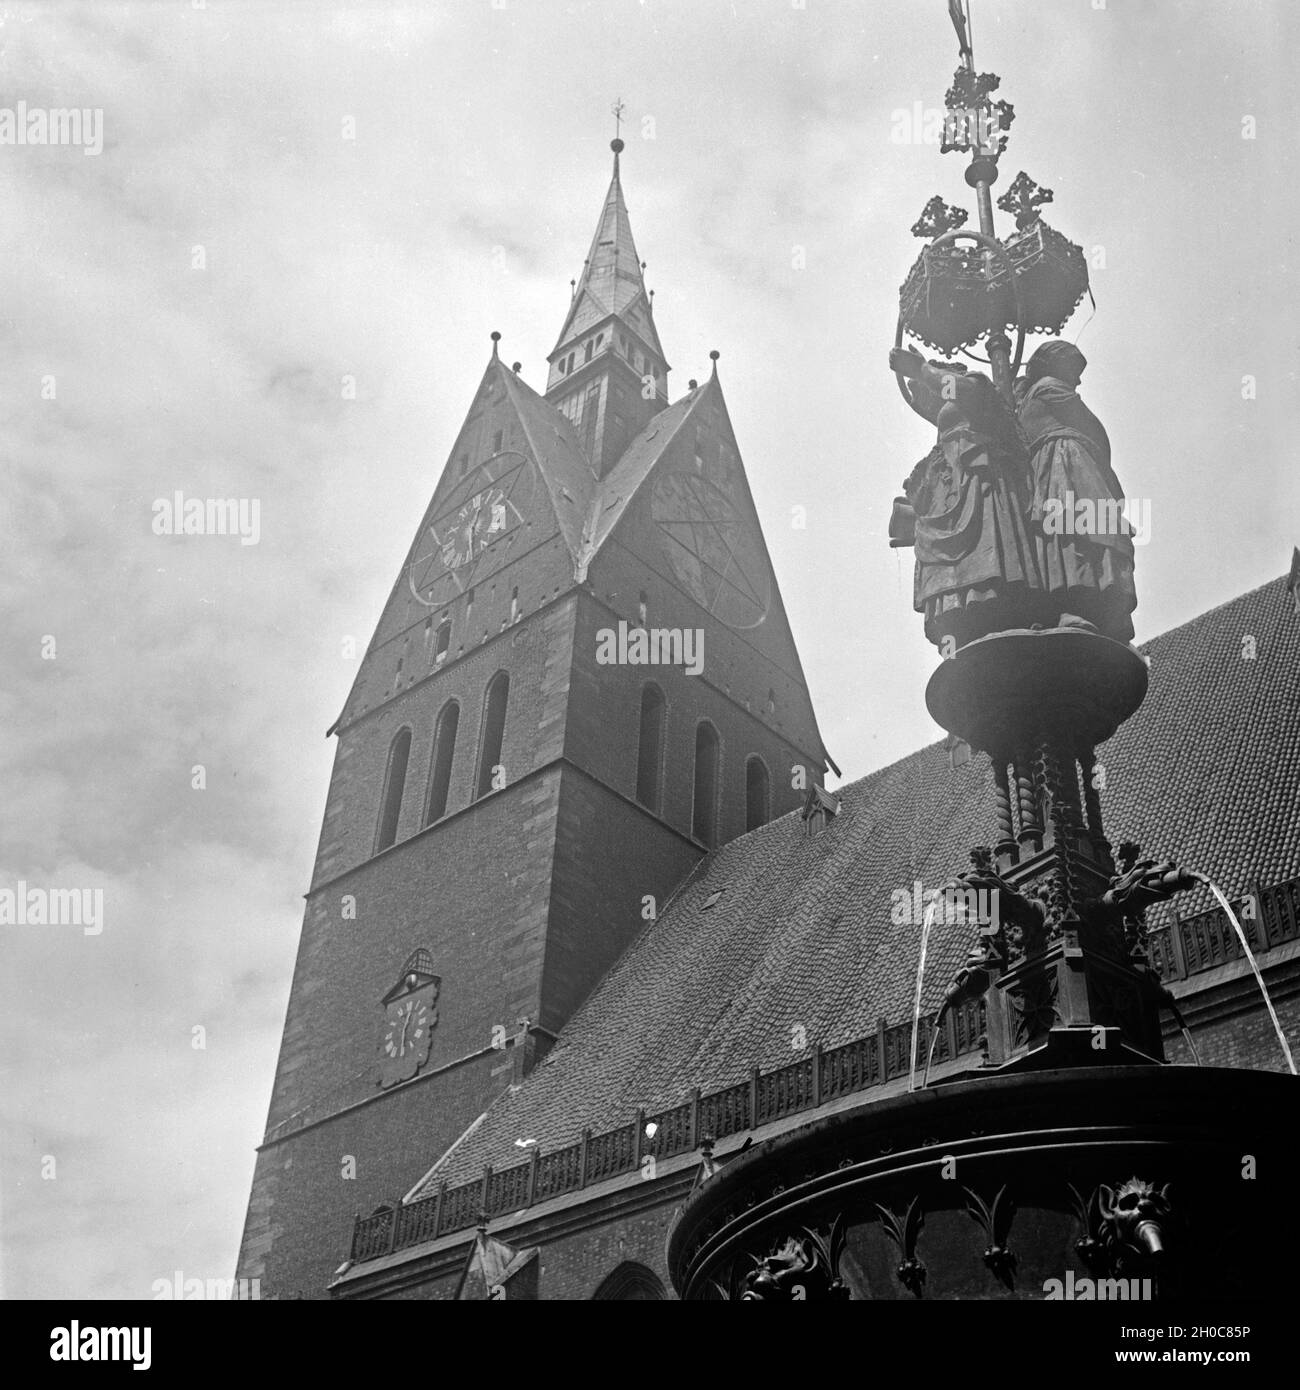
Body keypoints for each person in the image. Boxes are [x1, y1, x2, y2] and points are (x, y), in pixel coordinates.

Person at [889, 347, 1044, 650]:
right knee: (960, 556)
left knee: (982, 546)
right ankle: (966, 617)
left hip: (978, 481)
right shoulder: (947, 419)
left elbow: (962, 390)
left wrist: (923, 370)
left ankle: (999, 612)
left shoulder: (973, 386)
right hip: (954, 485)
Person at [1014, 340, 1137, 642]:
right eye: (1074, 370)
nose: (1078, 379)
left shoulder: (1031, 394)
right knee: (1078, 531)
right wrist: (1101, 467)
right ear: (1055, 365)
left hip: (1053, 464)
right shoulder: (1048, 386)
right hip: (1067, 461)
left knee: (1066, 533)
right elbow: (1092, 426)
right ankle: (1084, 604)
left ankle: (1080, 605)